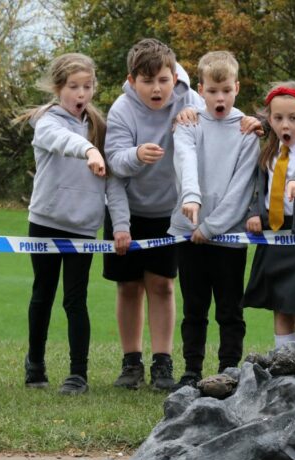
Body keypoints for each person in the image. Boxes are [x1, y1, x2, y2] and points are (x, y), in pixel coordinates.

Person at [15, 53, 131, 395]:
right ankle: (35, 364)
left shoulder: (100, 127)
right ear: (57, 88)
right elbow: (62, 141)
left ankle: (77, 374)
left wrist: (121, 224)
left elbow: (113, 183)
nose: (81, 94)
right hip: (46, 222)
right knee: (43, 293)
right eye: (73, 87)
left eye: (87, 86)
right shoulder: (46, 121)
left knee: (75, 299)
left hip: (83, 228)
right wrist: (88, 151)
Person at [103, 38, 204, 390]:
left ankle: (163, 362)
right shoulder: (121, 110)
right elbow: (113, 165)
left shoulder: (190, 99)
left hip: (170, 211)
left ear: (175, 76)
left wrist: (204, 118)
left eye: (163, 80)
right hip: (127, 210)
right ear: (132, 81)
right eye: (147, 82)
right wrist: (135, 155)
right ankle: (131, 362)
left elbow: (218, 129)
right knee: (128, 287)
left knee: (162, 286)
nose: (157, 89)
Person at [168, 51, 260, 389]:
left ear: (236, 87)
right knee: (194, 308)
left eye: (226, 90)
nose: (219, 98)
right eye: (212, 91)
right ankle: (191, 370)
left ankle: (229, 369)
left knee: (230, 309)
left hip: (227, 237)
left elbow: (241, 188)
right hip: (187, 232)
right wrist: (191, 201)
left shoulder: (249, 131)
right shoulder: (188, 122)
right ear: (201, 90)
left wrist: (212, 227)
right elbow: (185, 161)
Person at [242, 81, 295, 348]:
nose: (285, 125)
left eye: (293, 118)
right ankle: (285, 362)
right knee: (279, 305)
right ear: (269, 119)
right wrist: (256, 213)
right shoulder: (270, 150)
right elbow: (259, 187)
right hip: (273, 232)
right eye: (278, 118)